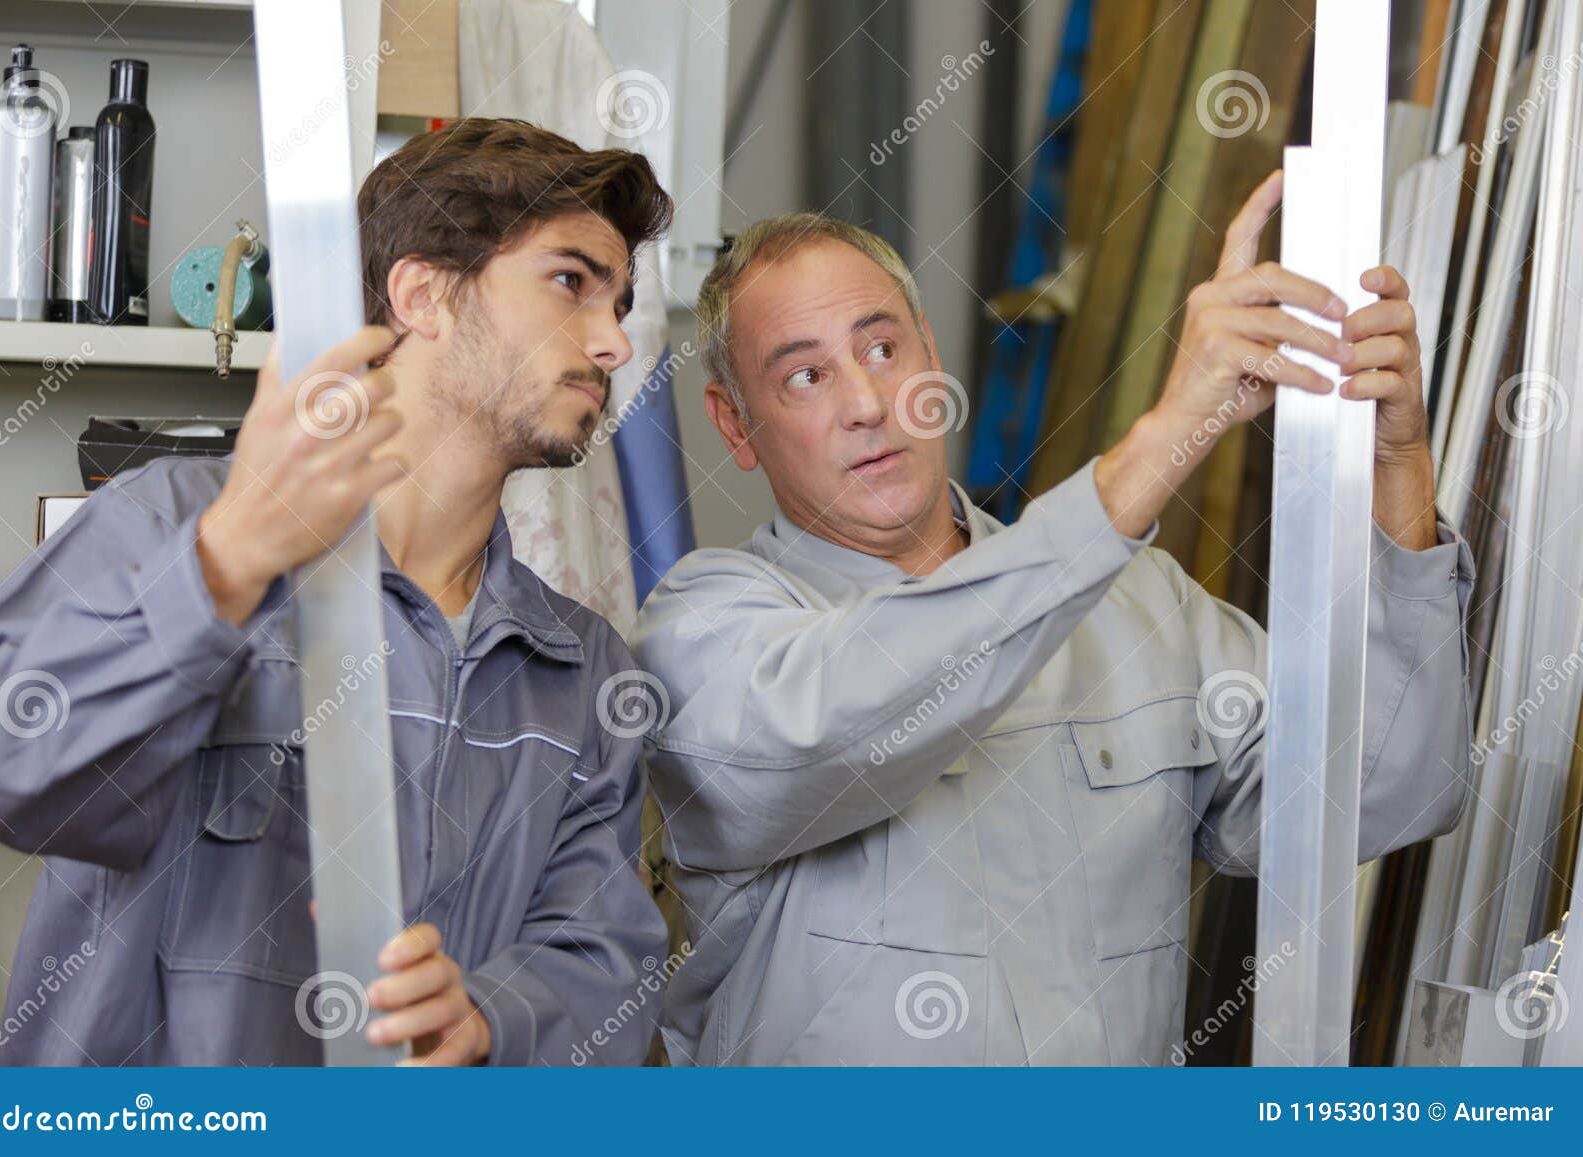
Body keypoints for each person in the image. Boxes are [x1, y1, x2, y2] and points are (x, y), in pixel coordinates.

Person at [630, 172, 1475, 1065]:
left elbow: (1389, 786)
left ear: (931, 357)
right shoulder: (706, 632)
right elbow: (843, 715)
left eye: (882, 349)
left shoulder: (1141, 603)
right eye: (805, 375)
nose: (867, 404)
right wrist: (1171, 431)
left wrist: (1400, 464)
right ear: (736, 426)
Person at [0, 118, 672, 1065]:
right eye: (571, 283)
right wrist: (224, 562)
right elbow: (7, 767)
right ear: (423, 293)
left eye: (620, 305)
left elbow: (604, 963)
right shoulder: (166, 523)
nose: (612, 343)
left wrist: (487, 1019)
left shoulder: (582, 669)